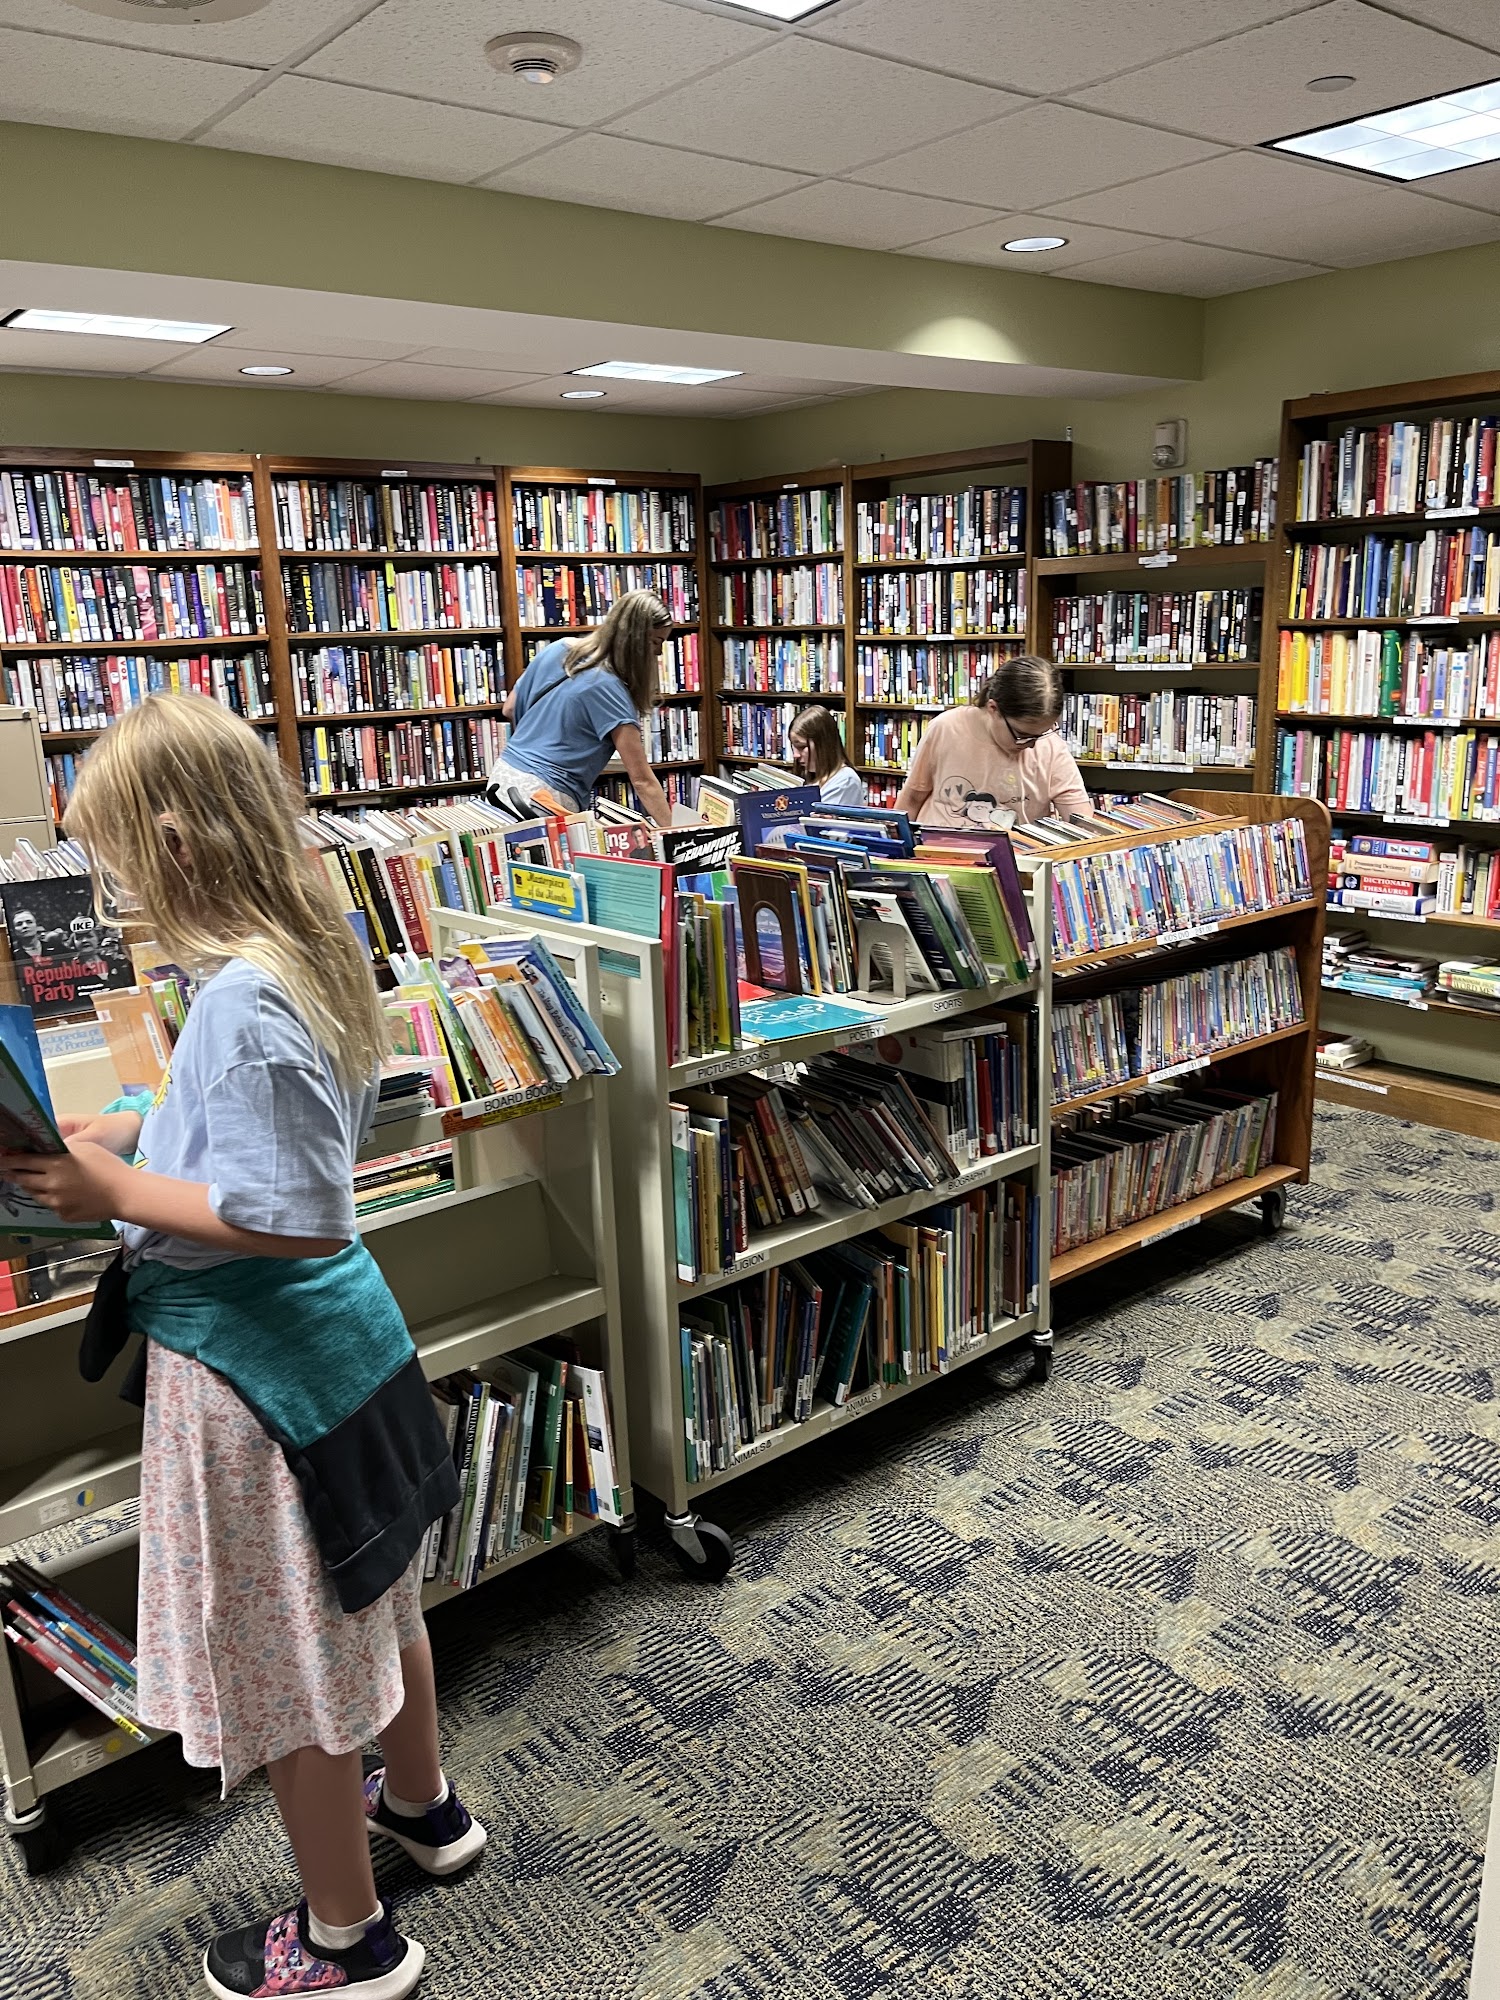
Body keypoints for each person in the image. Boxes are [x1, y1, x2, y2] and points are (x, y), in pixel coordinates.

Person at [0, 695, 485, 2000]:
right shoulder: (302, 949)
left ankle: (347, 1937)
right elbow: (268, 1127)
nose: (112, 897)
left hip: (261, 1383)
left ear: (175, 844)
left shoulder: (239, 999)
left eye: (117, 865)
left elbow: (289, 1207)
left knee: (292, 1680)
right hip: (340, 1348)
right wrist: (139, 1128)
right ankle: (424, 1806)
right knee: (380, 1608)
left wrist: (114, 1192)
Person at [489, 588, 677, 827]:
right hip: (545, 796)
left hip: (503, 778)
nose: (658, 652)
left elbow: (509, 708)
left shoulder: (560, 648)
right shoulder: (610, 689)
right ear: (635, 640)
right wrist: (676, 832)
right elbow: (642, 781)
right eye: (656, 642)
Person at [894, 654, 1090, 830]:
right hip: (939, 851)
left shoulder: (1050, 746)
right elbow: (912, 798)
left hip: (1016, 855)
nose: (1031, 744)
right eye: (1022, 735)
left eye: (1042, 733)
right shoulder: (946, 728)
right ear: (993, 708)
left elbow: (1081, 822)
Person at [788, 704, 866, 808]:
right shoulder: (809, 776)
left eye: (802, 747)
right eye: (794, 747)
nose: (795, 755)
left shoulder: (846, 780)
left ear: (823, 745)